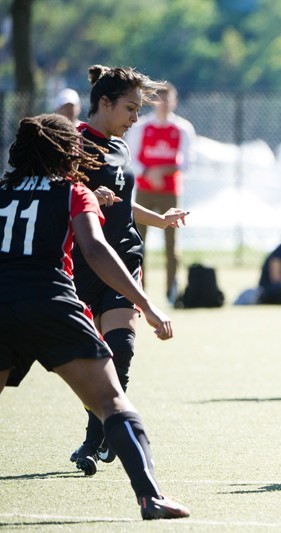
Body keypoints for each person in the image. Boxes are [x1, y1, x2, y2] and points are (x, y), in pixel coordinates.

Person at [0, 113, 189, 520]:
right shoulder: (73, 192)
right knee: (112, 402)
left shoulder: (1, 190)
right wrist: (148, 305)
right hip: (51, 304)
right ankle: (150, 497)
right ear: (67, 151)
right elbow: (98, 251)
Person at [68, 65, 189, 476]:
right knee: (90, 361)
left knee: (121, 350)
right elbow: (57, 198)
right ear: (104, 103)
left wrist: (161, 219)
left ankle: (95, 438)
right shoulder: (73, 144)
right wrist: (84, 194)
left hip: (123, 260)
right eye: (130, 108)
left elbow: (122, 202)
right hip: (83, 265)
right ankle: (99, 430)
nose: (135, 118)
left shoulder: (119, 146)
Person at [126, 82, 196, 304]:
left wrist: (162, 171)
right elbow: (131, 158)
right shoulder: (141, 127)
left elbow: (187, 161)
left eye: (168, 99)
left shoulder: (182, 129)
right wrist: (148, 173)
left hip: (170, 193)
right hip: (144, 192)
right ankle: (139, 291)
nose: (164, 104)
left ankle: (171, 293)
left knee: (171, 246)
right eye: (159, 98)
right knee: (138, 242)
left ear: (174, 101)